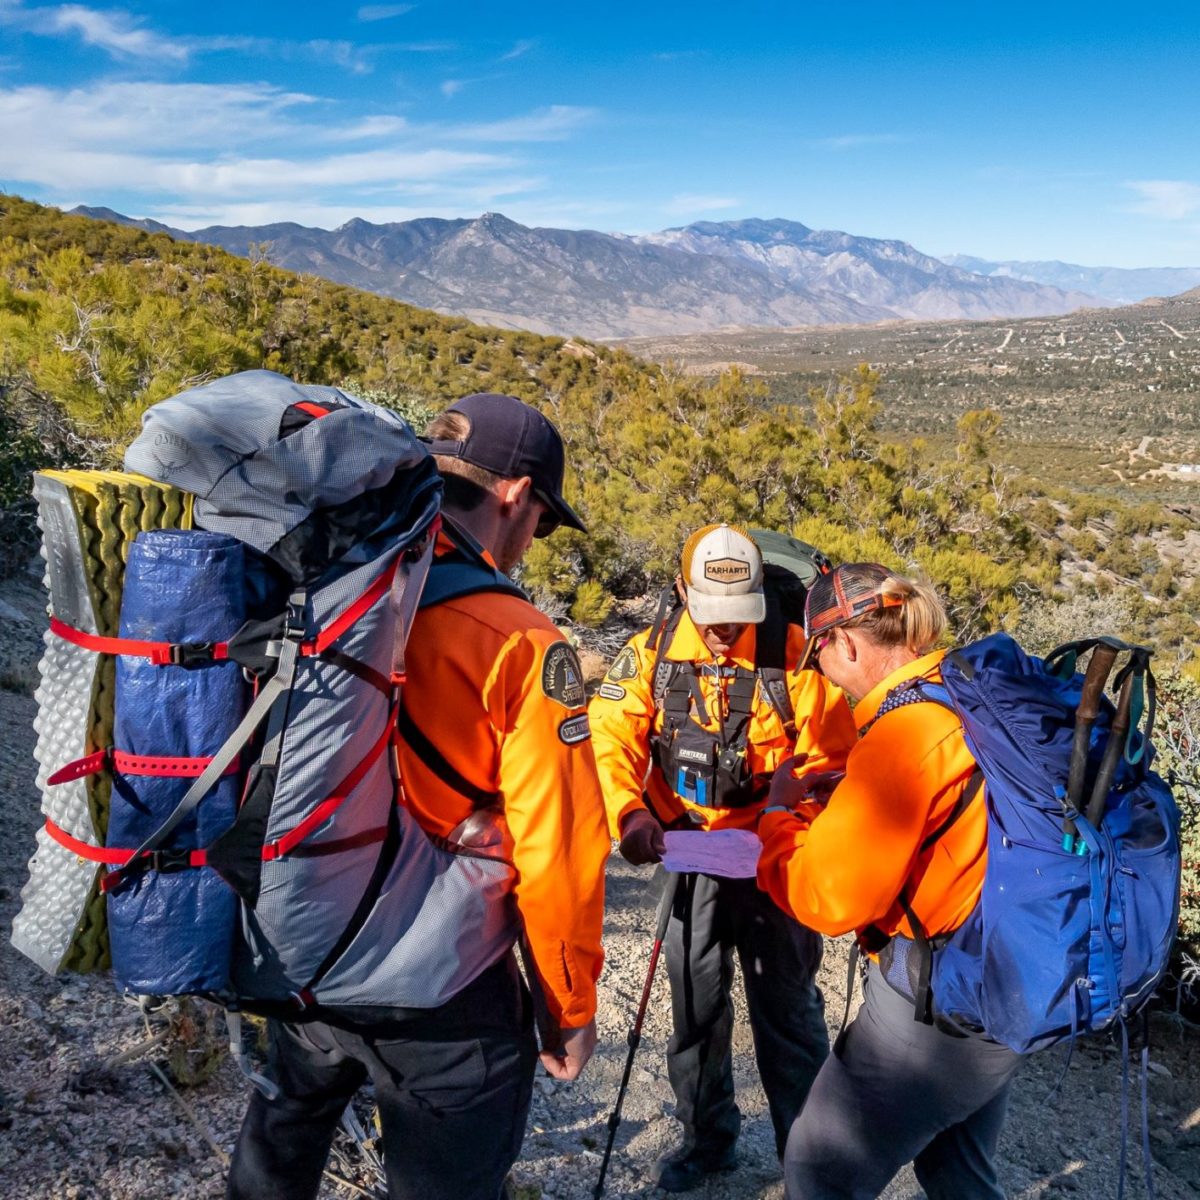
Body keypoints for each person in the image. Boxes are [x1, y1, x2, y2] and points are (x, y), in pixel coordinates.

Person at [228, 393, 611, 1200]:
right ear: (515, 495)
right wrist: (568, 1008)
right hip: (441, 993)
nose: (532, 541)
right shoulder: (521, 642)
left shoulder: (337, 577)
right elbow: (559, 851)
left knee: (276, 1161)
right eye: (542, 522)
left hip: (304, 937)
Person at [589, 523, 856, 1193]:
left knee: (788, 1012)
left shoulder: (797, 659)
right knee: (695, 1008)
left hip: (774, 859)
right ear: (684, 594)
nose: (723, 629)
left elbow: (833, 761)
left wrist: (792, 824)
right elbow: (610, 735)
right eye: (710, 613)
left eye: (737, 614)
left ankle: (808, 1163)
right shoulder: (651, 653)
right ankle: (707, 1141)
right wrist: (629, 813)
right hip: (688, 853)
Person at [756, 563, 1021, 1200]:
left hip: (935, 1005)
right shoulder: (961, 688)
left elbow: (828, 900)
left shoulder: (902, 734)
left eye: (818, 655)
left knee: (819, 1168)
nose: (820, 672)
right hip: (1004, 976)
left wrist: (776, 816)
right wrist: (852, 793)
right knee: (957, 1168)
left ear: (846, 644)